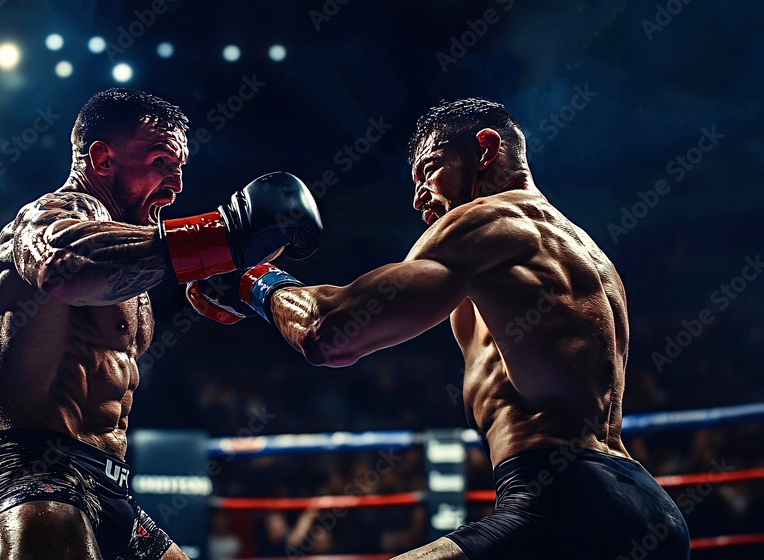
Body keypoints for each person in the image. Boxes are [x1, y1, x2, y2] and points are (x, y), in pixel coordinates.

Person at [188, 98, 690, 559]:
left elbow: (330, 334)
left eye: (429, 170)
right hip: (644, 507)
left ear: (487, 148)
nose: (418, 201)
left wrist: (254, 281)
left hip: (565, 504)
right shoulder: (583, 251)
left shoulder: (485, 221)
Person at [0, 88, 322, 560]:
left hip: (115, 487)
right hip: (43, 476)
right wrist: (226, 234)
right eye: (161, 162)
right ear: (102, 159)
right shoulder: (45, 219)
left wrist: (242, 278)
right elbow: (62, 265)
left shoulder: (129, 253)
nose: (176, 185)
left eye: (180, 169)